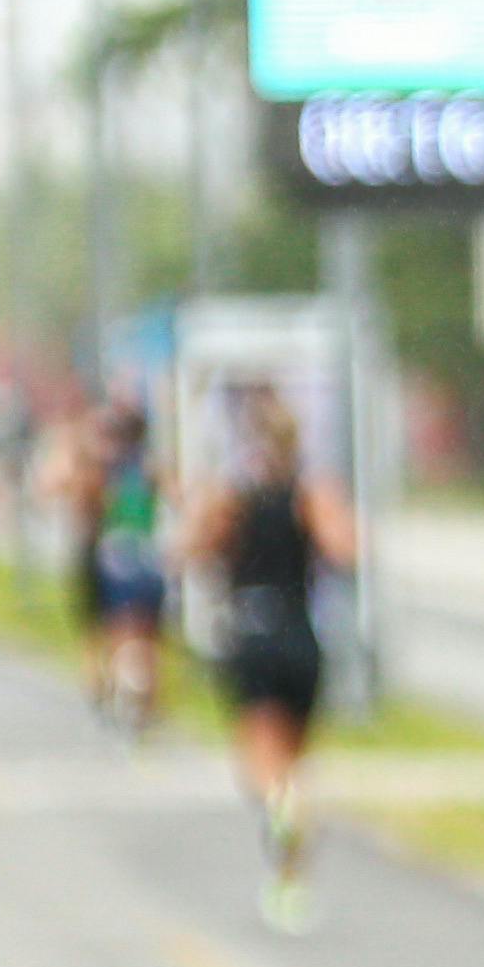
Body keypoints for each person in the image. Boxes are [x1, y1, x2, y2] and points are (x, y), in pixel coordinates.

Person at [180, 393, 354, 931]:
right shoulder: (313, 491)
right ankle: (291, 880)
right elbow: (345, 550)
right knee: (297, 764)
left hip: (252, 629)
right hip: (302, 629)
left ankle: (278, 809)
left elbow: (192, 549)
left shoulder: (231, 494)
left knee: (260, 759)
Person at [70, 401, 171, 739]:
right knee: (145, 633)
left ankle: (124, 691)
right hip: (148, 557)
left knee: (119, 631)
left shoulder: (104, 468)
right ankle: (140, 697)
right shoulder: (150, 468)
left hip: (116, 557)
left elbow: (85, 506)